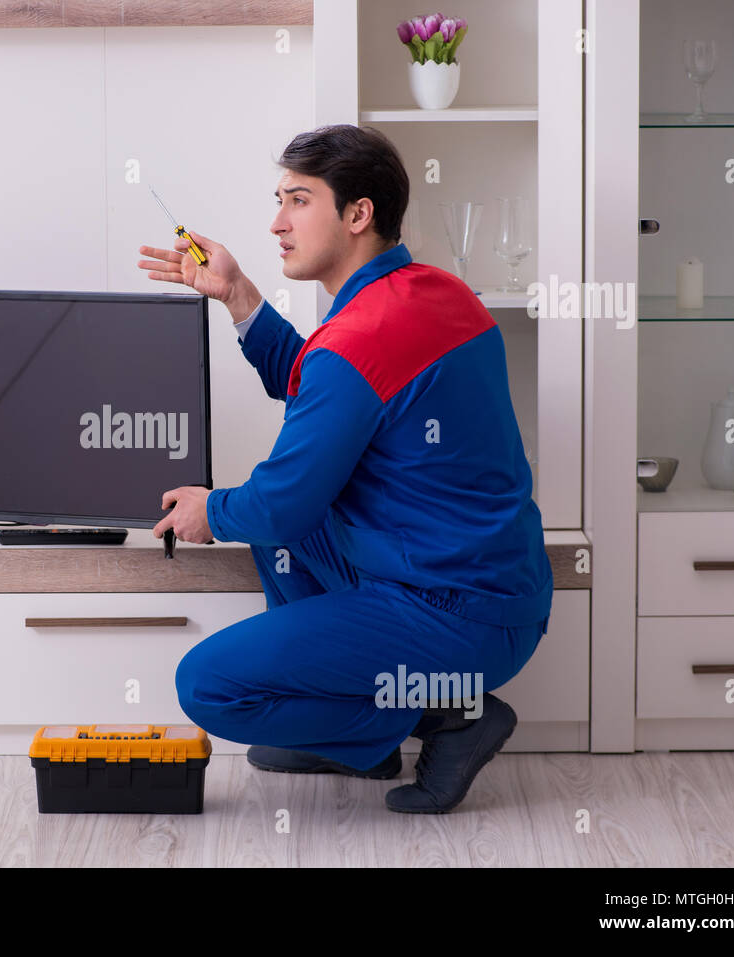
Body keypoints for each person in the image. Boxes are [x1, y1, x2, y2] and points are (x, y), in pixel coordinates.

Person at [142, 124, 552, 814]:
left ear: (358, 214)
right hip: (492, 587)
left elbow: (281, 499)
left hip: (454, 615)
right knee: (284, 523)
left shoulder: (361, 336)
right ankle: (354, 727)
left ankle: (440, 718)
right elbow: (322, 383)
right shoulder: (434, 293)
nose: (277, 223)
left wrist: (208, 511)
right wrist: (237, 291)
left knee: (208, 686)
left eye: (298, 201)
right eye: (279, 200)